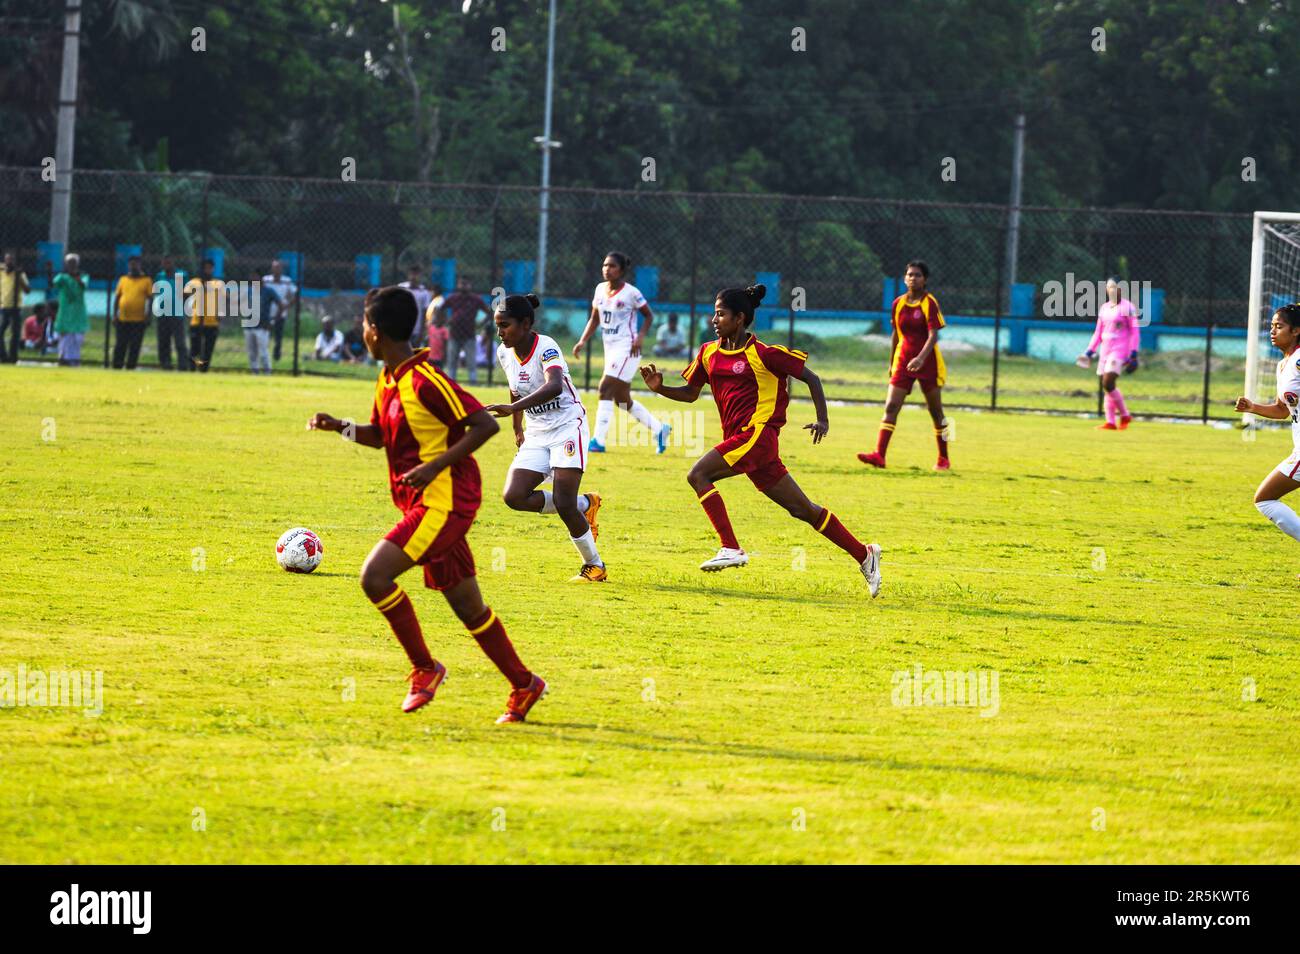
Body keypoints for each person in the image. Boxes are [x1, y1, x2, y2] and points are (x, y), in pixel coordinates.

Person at [306, 285, 547, 723]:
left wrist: (435, 467)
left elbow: (481, 426)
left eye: (364, 324)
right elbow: (380, 435)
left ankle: (424, 668)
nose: (362, 331)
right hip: (424, 502)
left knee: (375, 577)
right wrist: (338, 426)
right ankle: (524, 683)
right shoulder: (388, 378)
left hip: (445, 503)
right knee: (469, 608)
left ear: (375, 332)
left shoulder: (426, 379)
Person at [641, 284, 882, 595]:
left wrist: (823, 419)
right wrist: (660, 388)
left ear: (739, 318)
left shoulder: (763, 354)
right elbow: (690, 394)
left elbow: (812, 377)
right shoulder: (708, 353)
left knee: (698, 474)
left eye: (721, 314)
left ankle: (730, 547)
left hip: (758, 436)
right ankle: (865, 554)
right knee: (803, 509)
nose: (715, 319)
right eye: (714, 313)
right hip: (747, 445)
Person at [485, 293, 606, 583]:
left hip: (567, 425)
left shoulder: (547, 346)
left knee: (563, 502)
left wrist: (514, 409)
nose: (500, 332)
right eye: (497, 326)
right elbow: (516, 388)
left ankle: (595, 565)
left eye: (506, 325)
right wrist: (517, 428)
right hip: (537, 431)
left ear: (526, 323)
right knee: (513, 496)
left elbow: (553, 386)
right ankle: (585, 505)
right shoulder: (505, 352)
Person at [858, 260, 952, 471]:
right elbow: (895, 335)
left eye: (917, 275)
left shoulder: (929, 303)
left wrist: (920, 358)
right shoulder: (898, 304)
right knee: (891, 407)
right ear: (904, 278)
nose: (913, 278)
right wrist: (892, 362)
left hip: (928, 363)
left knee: (936, 412)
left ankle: (943, 458)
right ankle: (879, 455)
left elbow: (933, 335)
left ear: (925, 279)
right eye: (909, 274)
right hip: (903, 362)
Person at [574, 251, 671, 454]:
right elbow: (595, 318)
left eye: (612, 266)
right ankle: (660, 429)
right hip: (611, 349)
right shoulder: (600, 289)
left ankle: (598, 441)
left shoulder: (631, 293)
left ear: (622, 270)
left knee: (604, 387)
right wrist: (583, 340)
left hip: (627, 348)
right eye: (604, 265)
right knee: (622, 400)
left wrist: (640, 337)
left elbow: (649, 316)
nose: (606, 269)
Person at [1237, 304, 1300, 565]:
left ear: (1296, 330)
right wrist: (1252, 407)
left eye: (1279, 326)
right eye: (1272, 326)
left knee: (1264, 498)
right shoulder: (1284, 364)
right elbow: (1280, 410)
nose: (1272, 331)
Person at [1078, 276, 1141, 430]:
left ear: (1121, 289)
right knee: (1108, 387)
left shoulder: (1128, 307)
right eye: (1109, 287)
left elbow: (1134, 331)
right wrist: (1089, 351)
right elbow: (1098, 332)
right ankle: (1111, 422)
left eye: (1115, 287)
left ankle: (1125, 415)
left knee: (1108, 382)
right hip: (1105, 350)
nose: (1112, 290)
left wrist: (1133, 352)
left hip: (1120, 350)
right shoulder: (1105, 308)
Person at [441, 276, 492, 383]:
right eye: (461, 283)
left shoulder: (475, 299)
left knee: (471, 361)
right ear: (458, 285)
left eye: (466, 283)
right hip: (454, 334)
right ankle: (451, 381)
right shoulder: (453, 297)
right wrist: (445, 321)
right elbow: (440, 309)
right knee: (452, 360)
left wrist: (480, 324)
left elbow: (489, 312)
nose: (464, 286)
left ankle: (473, 382)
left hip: (469, 334)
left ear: (470, 285)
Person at [112, 255, 153, 370]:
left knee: (135, 346)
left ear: (140, 265)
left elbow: (150, 299)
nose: (133, 266)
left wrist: (148, 315)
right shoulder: (123, 279)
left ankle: (131, 367)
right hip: (123, 319)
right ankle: (117, 367)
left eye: (136, 263)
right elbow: (117, 298)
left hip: (138, 320)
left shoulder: (146, 280)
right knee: (120, 345)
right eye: (131, 264)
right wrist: (115, 314)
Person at [185, 258, 221, 372]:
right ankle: (192, 369)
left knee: (208, 349)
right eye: (206, 268)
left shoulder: (217, 283)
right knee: (194, 348)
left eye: (210, 268)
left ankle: (203, 370)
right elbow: (184, 295)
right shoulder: (195, 282)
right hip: (196, 320)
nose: (208, 270)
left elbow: (225, 299)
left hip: (212, 322)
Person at [154, 255, 189, 371]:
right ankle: (165, 364)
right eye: (164, 263)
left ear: (173, 263)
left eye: (169, 262)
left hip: (177, 313)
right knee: (163, 340)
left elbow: (187, 292)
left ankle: (182, 365)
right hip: (163, 313)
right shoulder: (160, 276)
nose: (166, 265)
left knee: (180, 342)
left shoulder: (182, 275)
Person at [52, 254, 88, 367]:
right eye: (69, 263)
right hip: (65, 312)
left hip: (78, 312)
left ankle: (75, 360)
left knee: (77, 338)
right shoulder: (62, 276)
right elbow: (54, 282)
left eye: (73, 263)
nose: (71, 265)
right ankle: (63, 358)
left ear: (77, 264)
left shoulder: (83, 275)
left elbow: (83, 285)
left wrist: (76, 277)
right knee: (64, 336)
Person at [262, 258, 297, 362]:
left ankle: (276, 356)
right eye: (274, 267)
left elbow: (296, 294)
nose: (276, 269)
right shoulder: (266, 280)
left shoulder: (287, 281)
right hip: (267, 313)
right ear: (271, 268)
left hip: (281, 313)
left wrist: (288, 305)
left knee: (278, 337)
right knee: (265, 336)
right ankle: (264, 355)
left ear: (282, 269)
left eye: (278, 267)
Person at [244, 269, 279, 375]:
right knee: (252, 353)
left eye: (255, 276)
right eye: (252, 276)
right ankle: (255, 373)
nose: (253, 279)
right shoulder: (249, 290)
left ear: (261, 278)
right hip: (249, 325)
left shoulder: (268, 291)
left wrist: (273, 321)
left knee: (263, 352)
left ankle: (267, 373)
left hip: (262, 326)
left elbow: (281, 305)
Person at [1, 250, 30, 363]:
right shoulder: (2, 271)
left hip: (16, 307)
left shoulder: (20, 274)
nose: (9, 262)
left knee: (15, 333)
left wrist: (19, 277)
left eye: (12, 260)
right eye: (7, 259)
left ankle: (13, 357)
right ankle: (3, 356)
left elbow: (27, 290)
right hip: (3, 306)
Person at [398, 265, 432, 350]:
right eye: (412, 274)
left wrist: (422, 331)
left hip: (416, 329)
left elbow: (425, 312)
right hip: (402, 327)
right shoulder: (401, 288)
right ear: (408, 275)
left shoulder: (424, 292)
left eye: (416, 274)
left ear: (420, 276)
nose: (413, 277)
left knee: (413, 353)